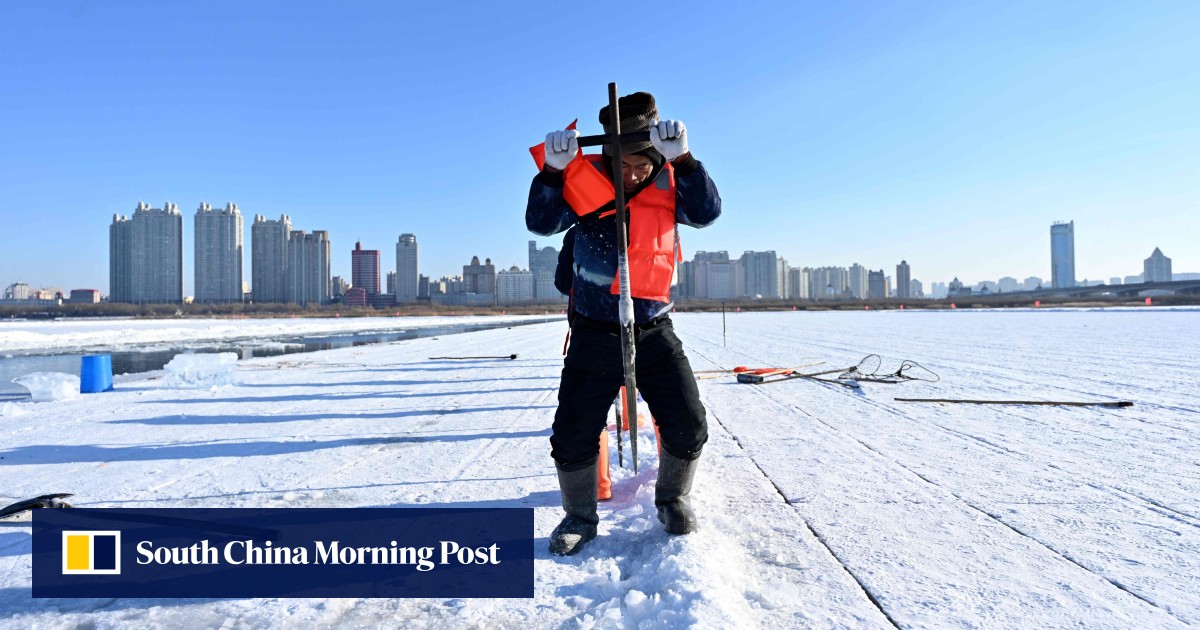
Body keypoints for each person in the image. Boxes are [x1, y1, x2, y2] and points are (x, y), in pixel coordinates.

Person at [526, 92, 721, 555]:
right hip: (595, 331)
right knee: (573, 431)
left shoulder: (674, 182)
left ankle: (673, 499)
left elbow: (708, 212)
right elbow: (540, 222)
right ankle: (578, 516)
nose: (632, 173)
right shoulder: (581, 184)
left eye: (641, 163)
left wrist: (688, 161)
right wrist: (552, 171)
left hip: (654, 329)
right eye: (623, 164)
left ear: (657, 155)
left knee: (688, 421)